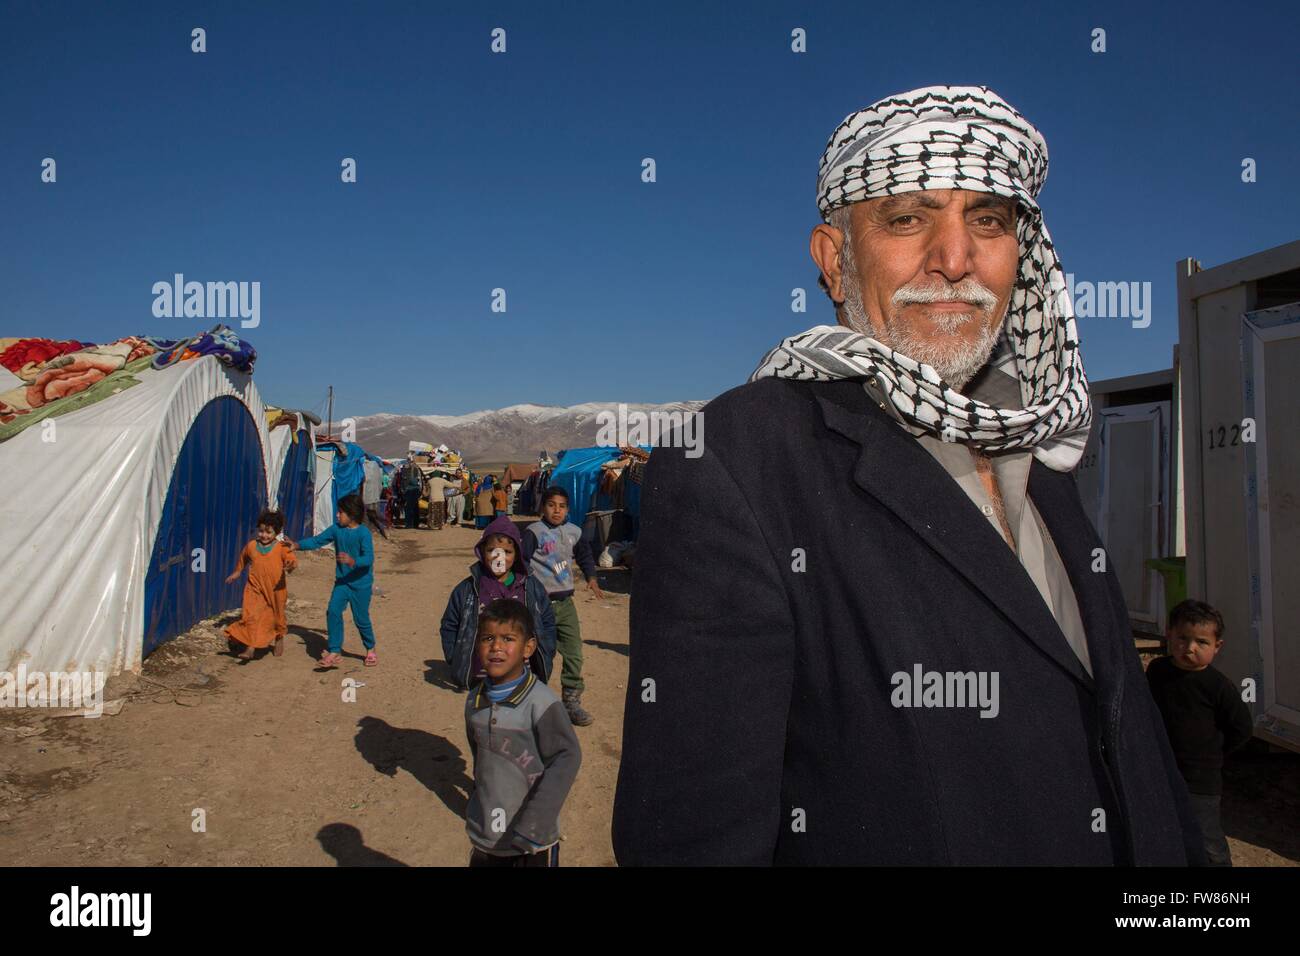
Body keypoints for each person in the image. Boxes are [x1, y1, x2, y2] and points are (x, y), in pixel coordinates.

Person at [611, 85, 1202, 865]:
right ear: (833, 258)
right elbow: (691, 838)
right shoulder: (737, 460)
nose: (954, 259)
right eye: (907, 218)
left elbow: (1124, 736)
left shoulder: (1042, 452)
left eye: (987, 220)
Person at [464, 598, 581, 867]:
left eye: (508, 639)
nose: (496, 647)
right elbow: (480, 759)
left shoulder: (542, 703)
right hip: (486, 836)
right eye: (487, 638)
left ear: (528, 647)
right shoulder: (473, 701)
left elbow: (567, 757)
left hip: (532, 843)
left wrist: (536, 822)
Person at [1146, 600, 1254, 866]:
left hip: (1200, 779)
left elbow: (1241, 728)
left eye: (1202, 642)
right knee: (1164, 827)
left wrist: (1214, 753)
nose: (1190, 648)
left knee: (1208, 841)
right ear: (1169, 635)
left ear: (1217, 647)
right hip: (1160, 770)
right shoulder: (1158, 671)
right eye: (1182, 638)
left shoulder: (1217, 687)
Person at [440, 514, 557, 690]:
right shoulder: (467, 589)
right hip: (480, 680)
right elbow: (449, 625)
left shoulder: (530, 587)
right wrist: (456, 659)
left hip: (522, 678)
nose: (499, 557)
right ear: (481, 551)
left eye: (507, 552)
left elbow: (547, 622)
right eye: (492, 551)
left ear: (517, 554)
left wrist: (546, 653)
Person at [522, 487, 603, 726]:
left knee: (574, 653)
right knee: (540, 654)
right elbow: (522, 560)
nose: (556, 510)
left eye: (562, 506)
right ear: (542, 507)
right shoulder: (533, 532)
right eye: (551, 505)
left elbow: (585, 555)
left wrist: (591, 577)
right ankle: (535, 702)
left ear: (568, 509)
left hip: (565, 603)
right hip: (539, 604)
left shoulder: (574, 532)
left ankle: (571, 701)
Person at [291, 494, 378, 668]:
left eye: (340, 512)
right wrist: (297, 545)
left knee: (361, 619)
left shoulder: (363, 533)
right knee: (333, 611)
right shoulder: (336, 529)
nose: (337, 515)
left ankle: (370, 648)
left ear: (351, 514)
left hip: (361, 585)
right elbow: (317, 541)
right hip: (342, 582)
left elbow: (368, 558)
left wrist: (353, 561)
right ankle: (334, 651)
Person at [224, 509, 297, 661]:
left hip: (276, 590)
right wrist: (237, 572)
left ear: (276, 533)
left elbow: (291, 562)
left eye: (268, 532)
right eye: (261, 531)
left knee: (277, 617)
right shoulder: (251, 546)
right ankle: (250, 648)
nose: (264, 535)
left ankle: (279, 636)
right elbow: (244, 558)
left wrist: (289, 566)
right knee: (252, 616)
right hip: (255, 588)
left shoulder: (281, 547)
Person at [401, 463, 424, 530]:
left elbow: (418, 483)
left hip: (411, 492)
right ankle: (413, 524)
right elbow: (420, 484)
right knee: (414, 509)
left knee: (410, 509)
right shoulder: (417, 471)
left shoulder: (408, 472)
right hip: (413, 493)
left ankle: (409, 525)